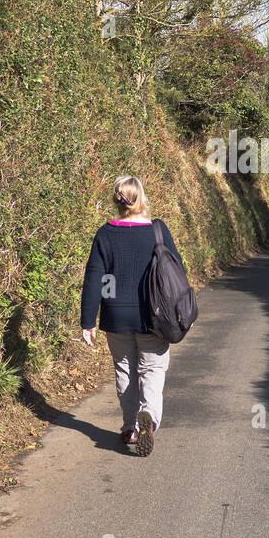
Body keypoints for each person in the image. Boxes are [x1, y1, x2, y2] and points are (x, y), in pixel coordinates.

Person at [80, 175, 183, 457]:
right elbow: (176, 270)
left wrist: (88, 320)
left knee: (125, 369)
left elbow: (95, 278)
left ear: (117, 200)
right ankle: (148, 415)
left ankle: (129, 427)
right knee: (152, 369)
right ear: (141, 198)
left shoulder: (105, 234)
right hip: (154, 315)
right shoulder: (157, 231)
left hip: (116, 315)